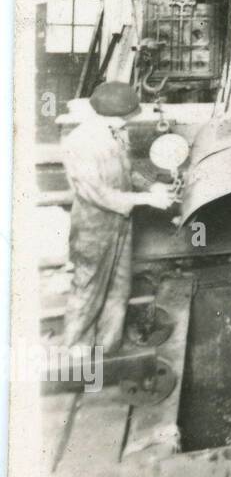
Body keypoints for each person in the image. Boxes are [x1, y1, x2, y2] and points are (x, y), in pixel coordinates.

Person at [61, 82, 173, 358]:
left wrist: (151, 186)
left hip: (121, 224)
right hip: (93, 229)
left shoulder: (115, 134)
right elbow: (99, 194)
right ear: (111, 115)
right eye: (125, 117)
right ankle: (78, 356)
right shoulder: (79, 143)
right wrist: (147, 200)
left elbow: (128, 170)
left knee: (118, 290)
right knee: (88, 292)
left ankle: (107, 352)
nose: (127, 122)